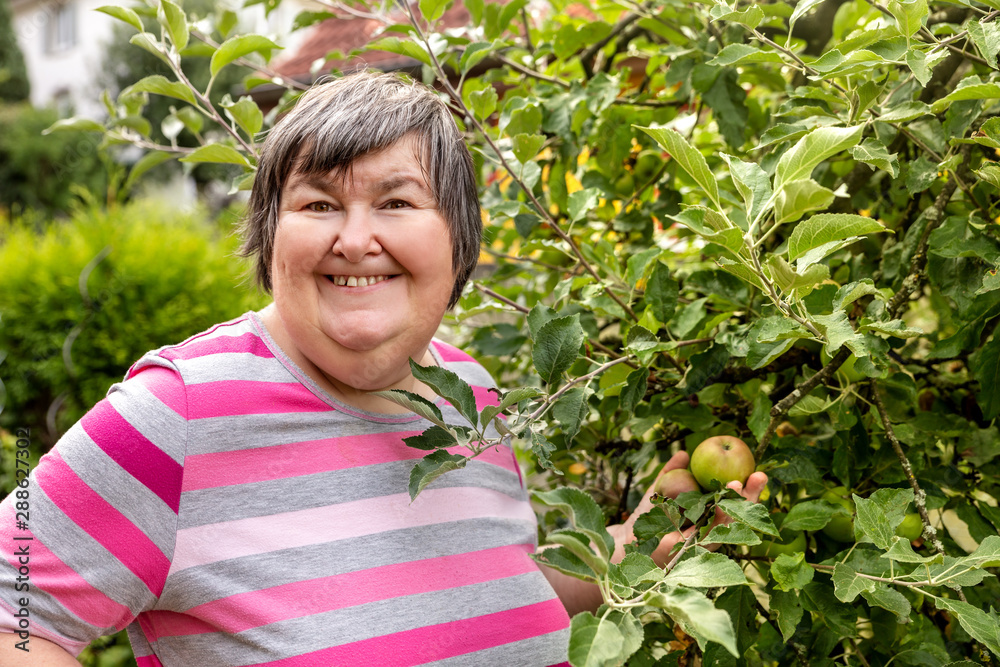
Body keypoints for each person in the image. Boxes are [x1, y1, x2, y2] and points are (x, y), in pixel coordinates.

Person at [0, 72, 766, 666]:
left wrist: (623, 553)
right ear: (271, 236)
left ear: (458, 240)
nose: (355, 238)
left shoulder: (466, 393)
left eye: (396, 201)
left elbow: (482, 597)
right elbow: (12, 605)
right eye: (318, 204)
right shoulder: (181, 411)